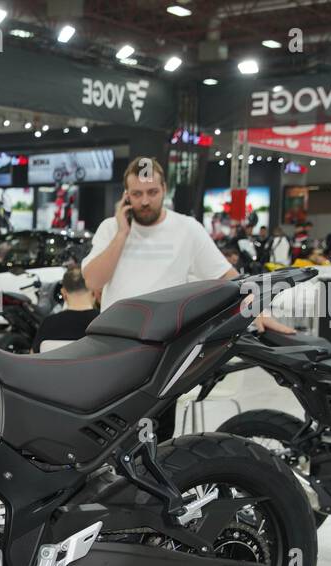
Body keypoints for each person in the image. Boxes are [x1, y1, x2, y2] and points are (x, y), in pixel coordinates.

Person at [81, 156, 293, 439]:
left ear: (164, 190)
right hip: (113, 351)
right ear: (126, 196)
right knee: (105, 436)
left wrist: (261, 312)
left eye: (152, 192)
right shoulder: (111, 228)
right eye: (137, 194)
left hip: (163, 354)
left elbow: (229, 278)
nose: (145, 201)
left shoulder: (187, 229)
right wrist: (122, 234)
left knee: (156, 438)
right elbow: (93, 280)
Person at [32, 266, 98, 352]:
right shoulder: (104, 321)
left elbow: (33, 357)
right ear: (93, 289)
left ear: (63, 292)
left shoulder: (48, 324)